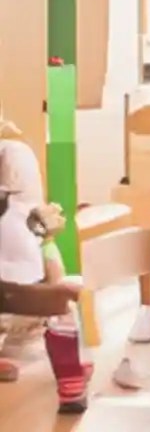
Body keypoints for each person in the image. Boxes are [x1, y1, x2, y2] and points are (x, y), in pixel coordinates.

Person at [0, 138, 89, 412]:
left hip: (12, 292)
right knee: (63, 304)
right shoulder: (24, 208)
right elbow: (49, 261)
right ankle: (70, 380)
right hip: (23, 292)